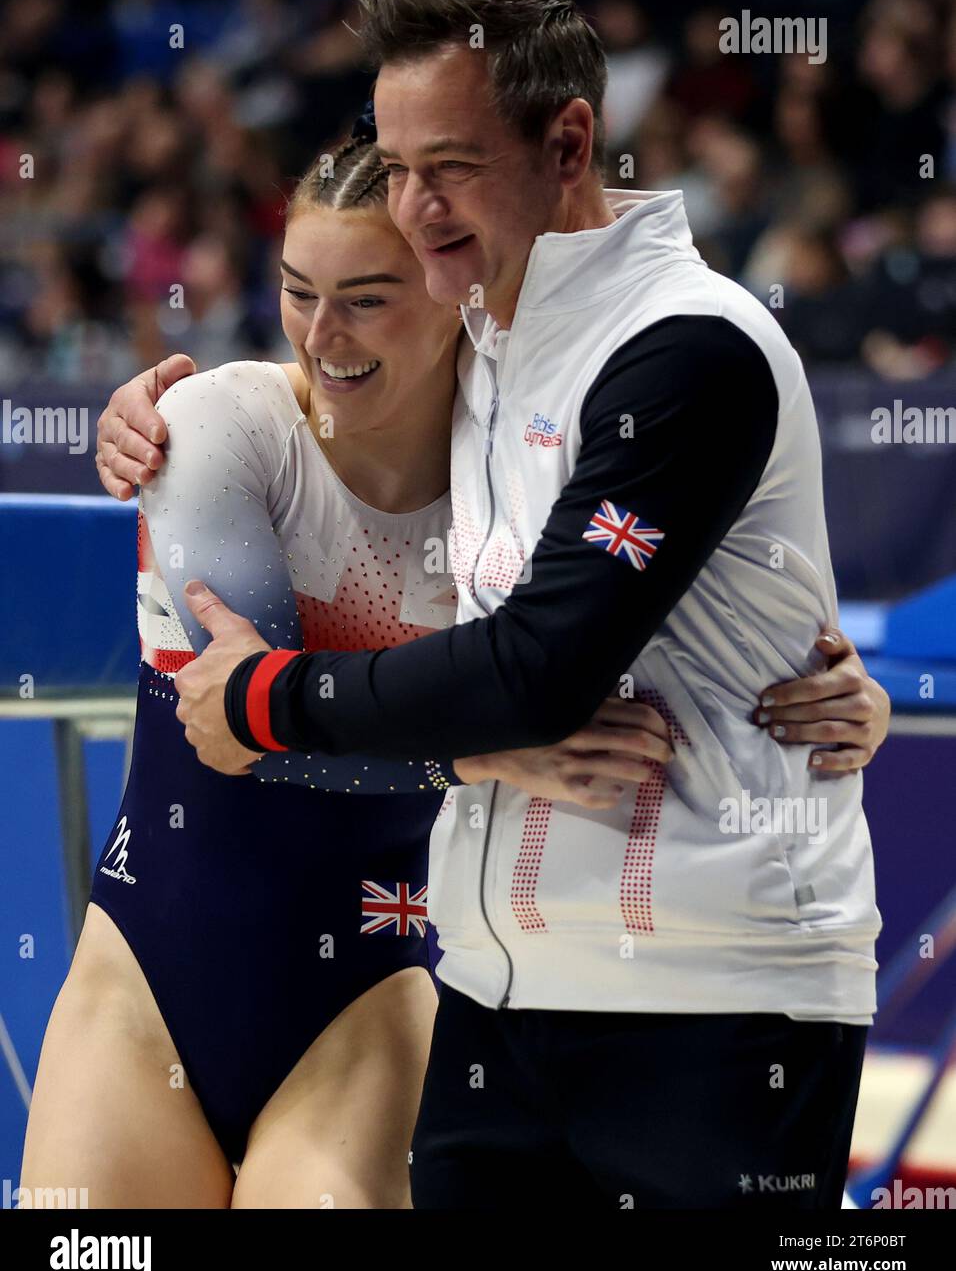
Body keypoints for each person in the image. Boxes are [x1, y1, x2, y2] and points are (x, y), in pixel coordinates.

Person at [97, 0, 891, 1213]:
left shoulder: (690, 343)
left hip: (714, 1004)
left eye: (448, 166)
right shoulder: (484, 337)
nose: (413, 208)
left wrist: (267, 700)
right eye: (397, 164)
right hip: (492, 1000)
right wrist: (159, 415)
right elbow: (337, 365)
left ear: (569, 139)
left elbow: (540, 665)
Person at [22, 135, 672, 1210]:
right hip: (144, 982)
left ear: (453, 288)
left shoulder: (524, 472)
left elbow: (674, 610)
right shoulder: (219, 428)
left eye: (365, 299)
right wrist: (482, 751)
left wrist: (821, 683)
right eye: (296, 291)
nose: (323, 337)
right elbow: (242, 737)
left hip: (369, 1001)